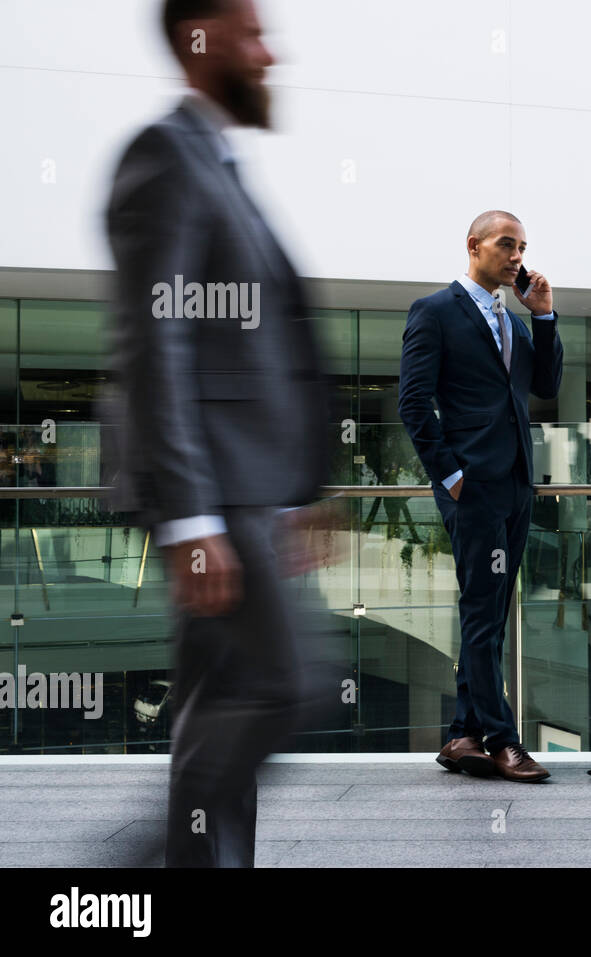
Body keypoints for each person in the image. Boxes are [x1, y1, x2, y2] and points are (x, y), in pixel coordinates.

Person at [102, 0, 337, 866]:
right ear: (195, 41)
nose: (270, 51)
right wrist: (191, 517)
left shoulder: (221, 164)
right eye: (250, 32)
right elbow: (153, 344)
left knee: (226, 691)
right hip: (214, 492)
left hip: (249, 491)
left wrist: (293, 493)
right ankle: (128, 870)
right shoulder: (163, 156)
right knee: (287, 684)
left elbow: (257, 349)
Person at [398, 211, 563, 782]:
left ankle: (463, 736)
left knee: (492, 610)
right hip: (472, 488)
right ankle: (502, 739)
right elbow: (414, 405)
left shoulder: (514, 322)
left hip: (517, 484)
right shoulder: (435, 312)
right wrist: (451, 477)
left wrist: (543, 317)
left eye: (522, 248)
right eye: (506, 245)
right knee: (481, 610)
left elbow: (546, 387)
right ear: (474, 246)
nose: (517, 257)